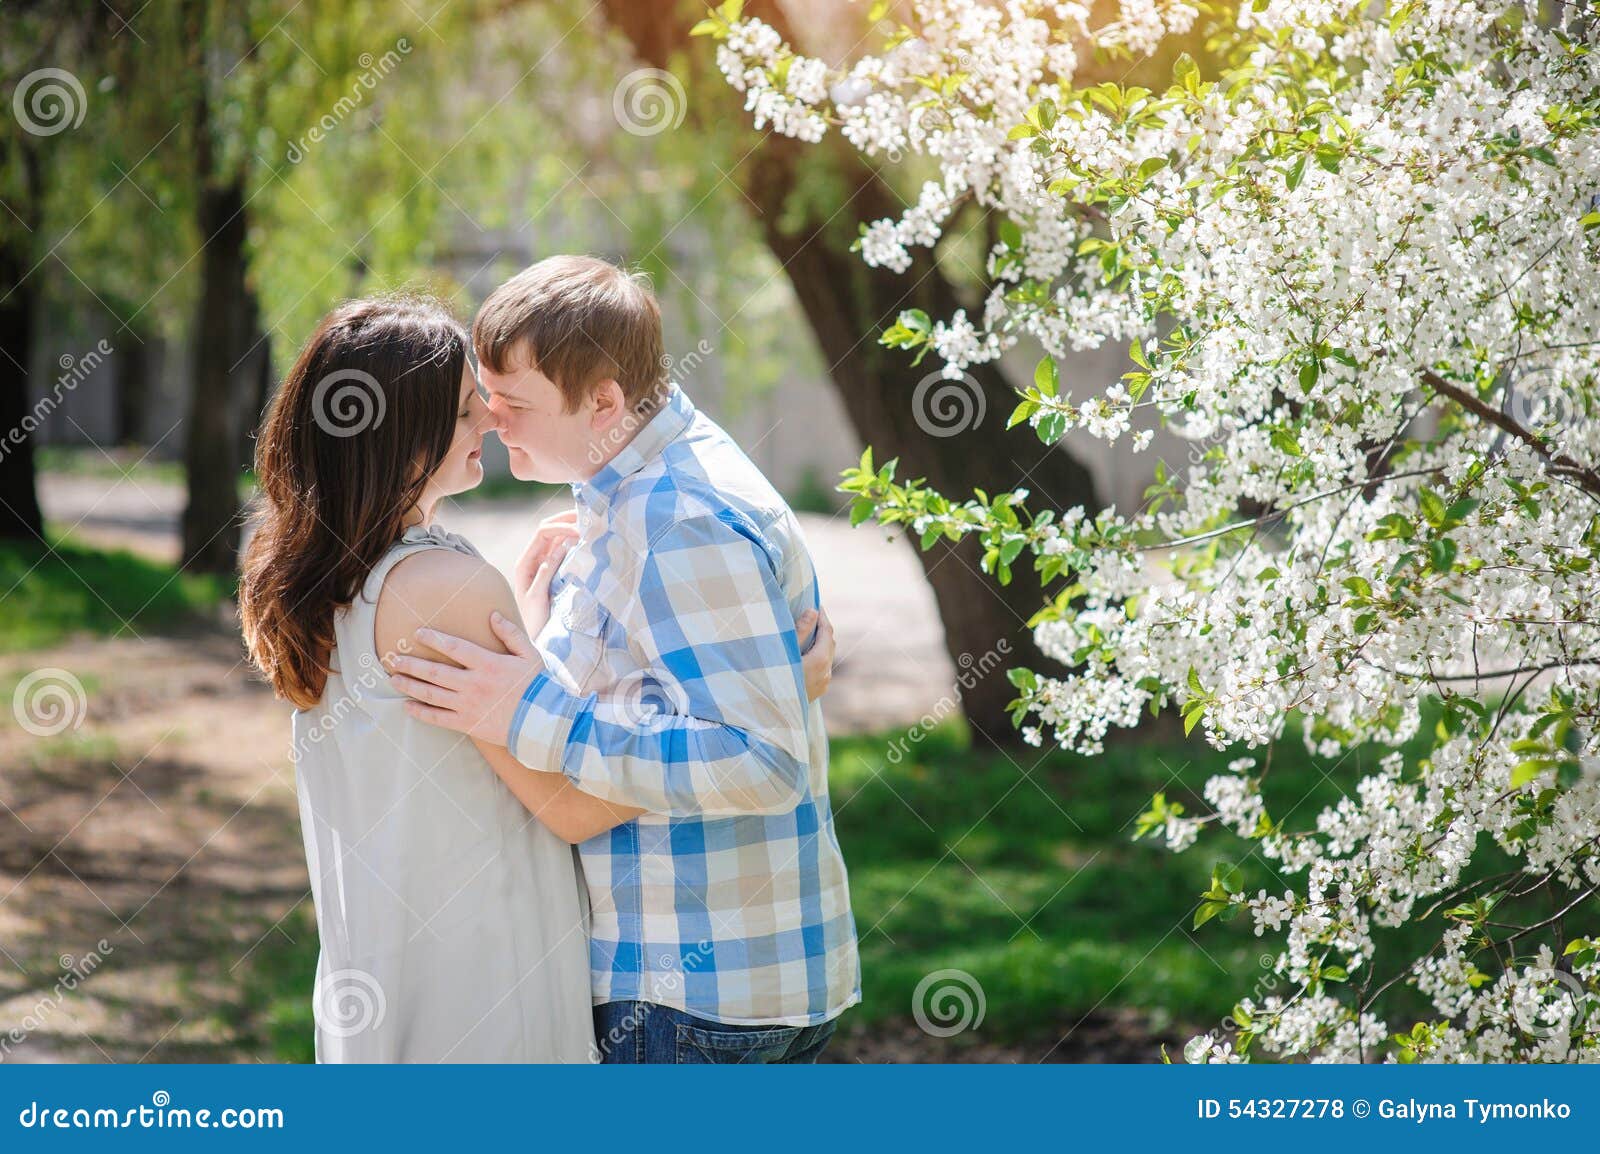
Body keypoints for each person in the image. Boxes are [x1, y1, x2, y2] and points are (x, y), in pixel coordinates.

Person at [238, 295, 839, 1062]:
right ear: (401, 437)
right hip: (485, 965)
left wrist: (523, 616)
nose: (488, 422)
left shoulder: (329, 577)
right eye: (464, 410)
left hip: (385, 959)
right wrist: (779, 691)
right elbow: (571, 808)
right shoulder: (443, 586)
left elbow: (452, 742)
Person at [388, 257, 862, 1063]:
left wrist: (532, 711)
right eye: (488, 395)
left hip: (696, 1000)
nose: (492, 421)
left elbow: (764, 759)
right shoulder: (630, 488)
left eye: (515, 403)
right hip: (706, 992)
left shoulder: (677, 518)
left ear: (604, 400)